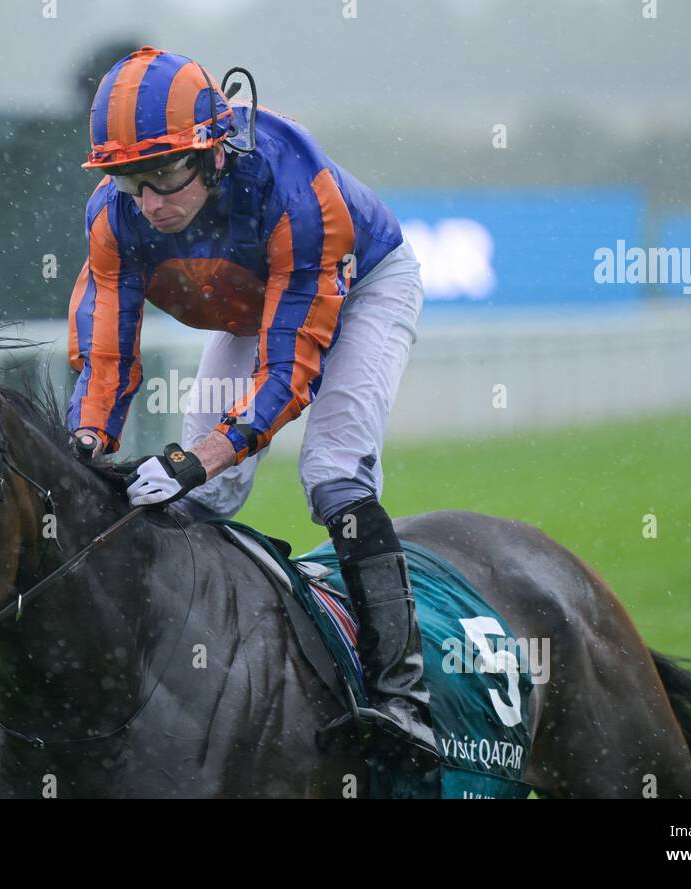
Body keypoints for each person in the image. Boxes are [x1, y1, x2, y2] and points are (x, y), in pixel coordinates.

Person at [65, 46, 435, 761]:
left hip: (363, 286)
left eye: (165, 174)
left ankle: (404, 697)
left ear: (215, 152)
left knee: (333, 474)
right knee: (201, 499)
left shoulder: (295, 188)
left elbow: (288, 373)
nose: (149, 203)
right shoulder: (115, 217)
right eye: (127, 179)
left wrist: (192, 457)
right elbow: (106, 354)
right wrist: (87, 439)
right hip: (251, 304)